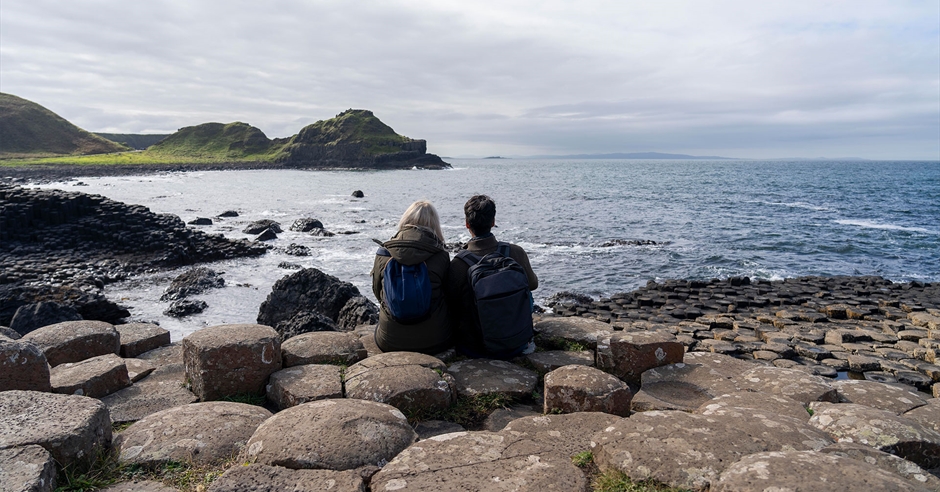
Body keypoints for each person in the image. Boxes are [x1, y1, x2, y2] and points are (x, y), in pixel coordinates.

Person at [446, 194, 538, 359]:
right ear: (493, 222)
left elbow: (451, 304)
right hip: (519, 343)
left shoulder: (458, 265)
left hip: (476, 349)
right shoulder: (516, 252)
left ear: (467, 224)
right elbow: (533, 284)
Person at [371, 200, 452, 354]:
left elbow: (377, 292)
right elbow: (450, 296)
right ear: (434, 225)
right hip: (435, 340)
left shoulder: (383, 253)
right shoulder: (441, 256)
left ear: (405, 220)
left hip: (389, 340)